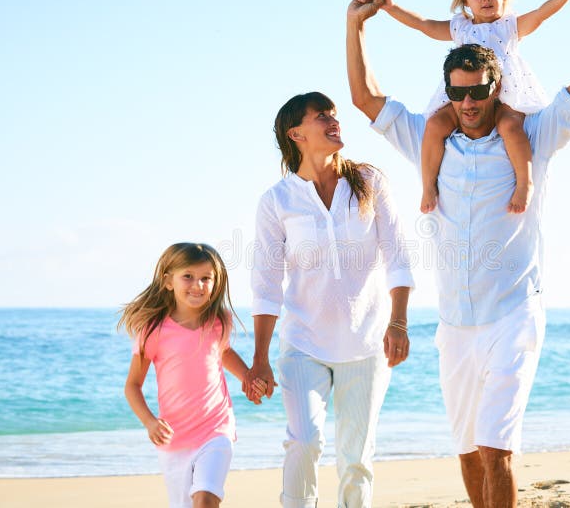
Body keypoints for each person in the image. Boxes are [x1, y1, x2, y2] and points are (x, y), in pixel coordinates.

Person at [346, 0, 570, 507]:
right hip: (454, 326)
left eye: (479, 92)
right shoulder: (430, 141)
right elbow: (364, 98)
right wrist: (357, 27)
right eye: (458, 92)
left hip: (513, 315)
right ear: (447, 91)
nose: (468, 102)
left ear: (497, 86)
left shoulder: (531, 137)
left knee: (494, 450)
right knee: (467, 453)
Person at [247, 91, 414, 508]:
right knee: (304, 441)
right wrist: (260, 357)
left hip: (367, 343)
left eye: (334, 114)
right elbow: (266, 284)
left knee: (356, 459)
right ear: (296, 134)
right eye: (322, 116)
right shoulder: (277, 201)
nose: (334, 121)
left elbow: (397, 255)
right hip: (304, 342)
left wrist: (398, 321)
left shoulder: (369, 182)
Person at [379, 0, 570, 214]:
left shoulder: (509, 26)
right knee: (435, 125)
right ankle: (428, 185)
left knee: (510, 127)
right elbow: (424, 24)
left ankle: (525, 182)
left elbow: (540, 14)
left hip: (504, 95)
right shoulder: (461, 27)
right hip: (467, 95)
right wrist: (391, 8)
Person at [121, 242, 267, 508]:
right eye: (188, 276)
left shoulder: (219, 320)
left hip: (216, 428)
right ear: (168, 281)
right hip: (174, 439)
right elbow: (132, 385)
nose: (197, 285)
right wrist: (150, 422)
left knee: (206, 499)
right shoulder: (153, 330)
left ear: (215, 282)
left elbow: (223, 351)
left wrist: (247, 376)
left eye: (205, 278)